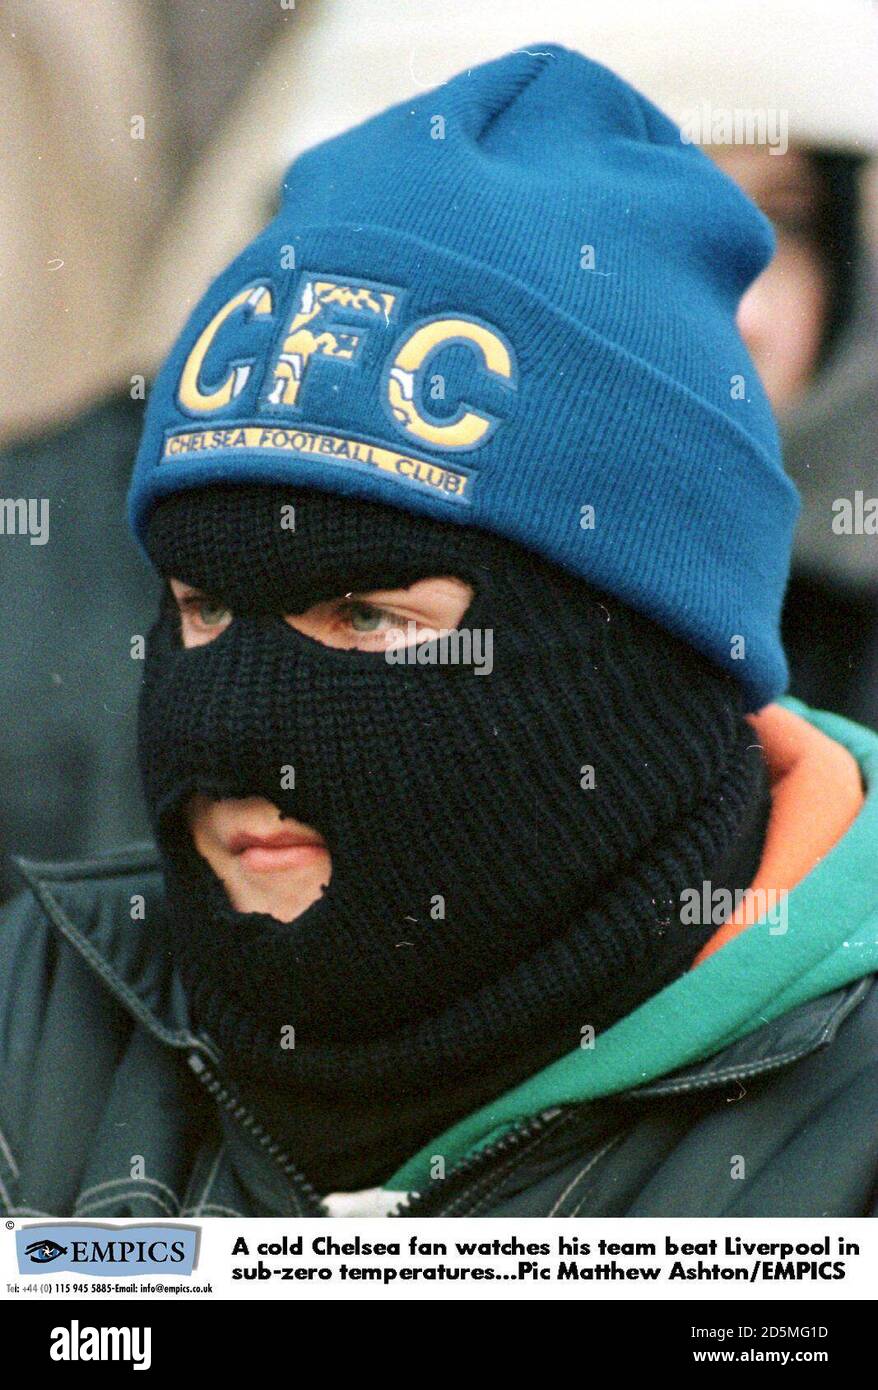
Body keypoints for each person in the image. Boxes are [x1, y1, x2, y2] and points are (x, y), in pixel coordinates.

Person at [1, 46, 876, 1220]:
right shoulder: (42, 1007)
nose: (237, 721)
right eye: (203, 608)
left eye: (367, 615)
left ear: (638, 655)